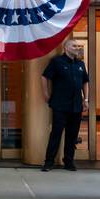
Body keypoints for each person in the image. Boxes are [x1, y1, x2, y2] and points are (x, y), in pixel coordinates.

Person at [41, 38, 90, 171]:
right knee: (56, 134)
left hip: (76, 105)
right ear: (66, 48)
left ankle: (69, 161)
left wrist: (86, 100)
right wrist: (46, 94)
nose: (77, 48)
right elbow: (45, 77)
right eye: (74, 46)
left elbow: (85, 81)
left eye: (78, 46)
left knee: (72, 135)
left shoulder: (80, 64)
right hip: (60, 105)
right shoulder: (57, 62)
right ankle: (49, 162)